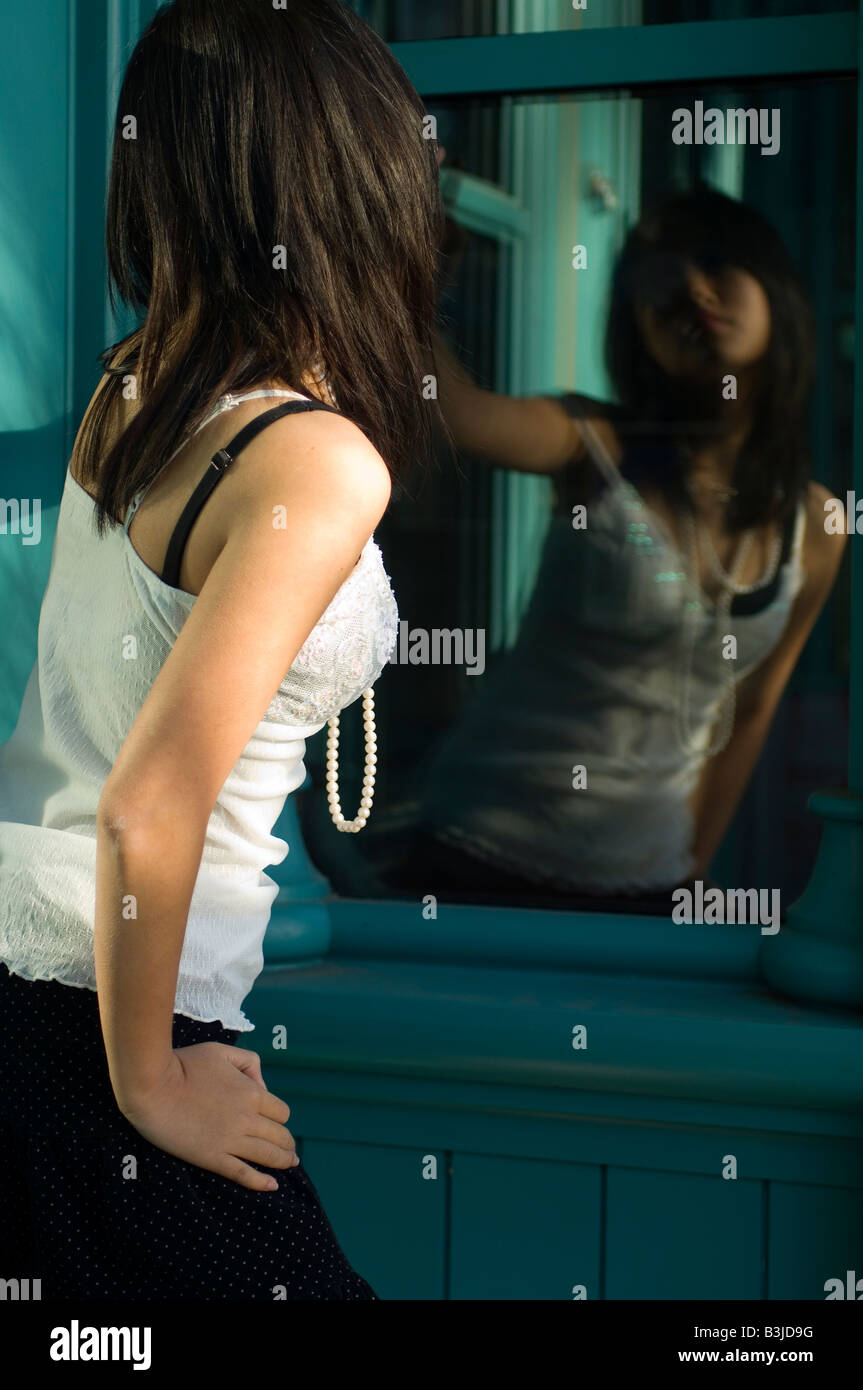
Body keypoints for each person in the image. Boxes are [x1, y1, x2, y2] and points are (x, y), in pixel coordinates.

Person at [0, 0, 442, 1299]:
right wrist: (153, 1082)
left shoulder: (135, 384)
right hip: (110, 1028)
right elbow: (148, 801)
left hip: (38, 988)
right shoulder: (314, 456)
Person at [394, 188, 846, 913]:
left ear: (775, 291)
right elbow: (455, 413)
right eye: (660, 281)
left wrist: (689, 871)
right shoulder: (592, 443)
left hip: (647, 882)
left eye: (714, 261)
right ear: (637, 326)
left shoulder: (818, 527)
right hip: (472, 859)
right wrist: (420, 260)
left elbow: (751, 708)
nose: (692, 290)